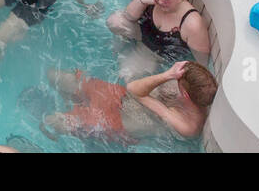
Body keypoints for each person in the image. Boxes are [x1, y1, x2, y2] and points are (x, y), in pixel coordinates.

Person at [42, 61, 219, 143]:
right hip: (120, 97)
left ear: (186, 95)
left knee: (52, 121)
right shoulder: (192, 86)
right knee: (59, 77)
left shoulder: (187, 125)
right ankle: (69, 100)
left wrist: (167, 75)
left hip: (119, 123)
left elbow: (135, 90)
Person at [107, 0, 211, 69]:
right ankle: (125, 49)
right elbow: (128, 16)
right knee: (115, 21)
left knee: (126, 72)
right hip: (142, 36)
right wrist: (141, 0)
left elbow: (202, 64)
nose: (160, 2)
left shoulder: (192, 24)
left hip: (158, 54)